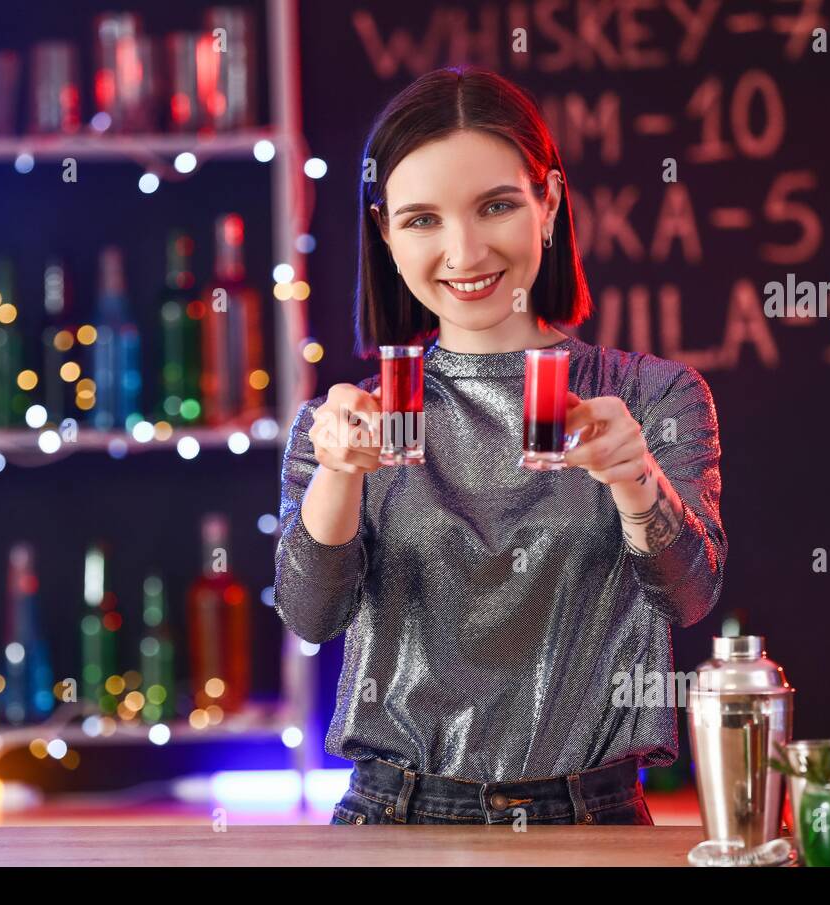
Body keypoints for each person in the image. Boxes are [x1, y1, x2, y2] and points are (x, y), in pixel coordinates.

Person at [273, 66, 727, 826]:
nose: (464, 250)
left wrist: (634, 476)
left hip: (593, 823)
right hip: (395, 820)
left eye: (496, 206)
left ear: (549, 203)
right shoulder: (350, 421)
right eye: (422, 220)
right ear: (385, 234)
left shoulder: (653, 396)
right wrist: (336, 478)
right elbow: (310, 617)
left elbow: (689, 597)